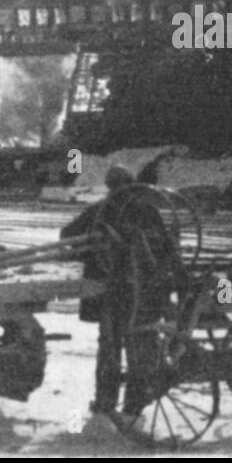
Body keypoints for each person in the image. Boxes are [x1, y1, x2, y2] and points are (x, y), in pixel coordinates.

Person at [61, 166, 175, 422]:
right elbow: (167, 249)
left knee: (110, 350)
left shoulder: (100, 211)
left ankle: (106, 402)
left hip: (110, 294)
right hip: (142, 293)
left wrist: (89, 253)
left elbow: (67, 236)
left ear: (110, 187)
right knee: (141, 346)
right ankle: (135, 401)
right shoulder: (148, 211)